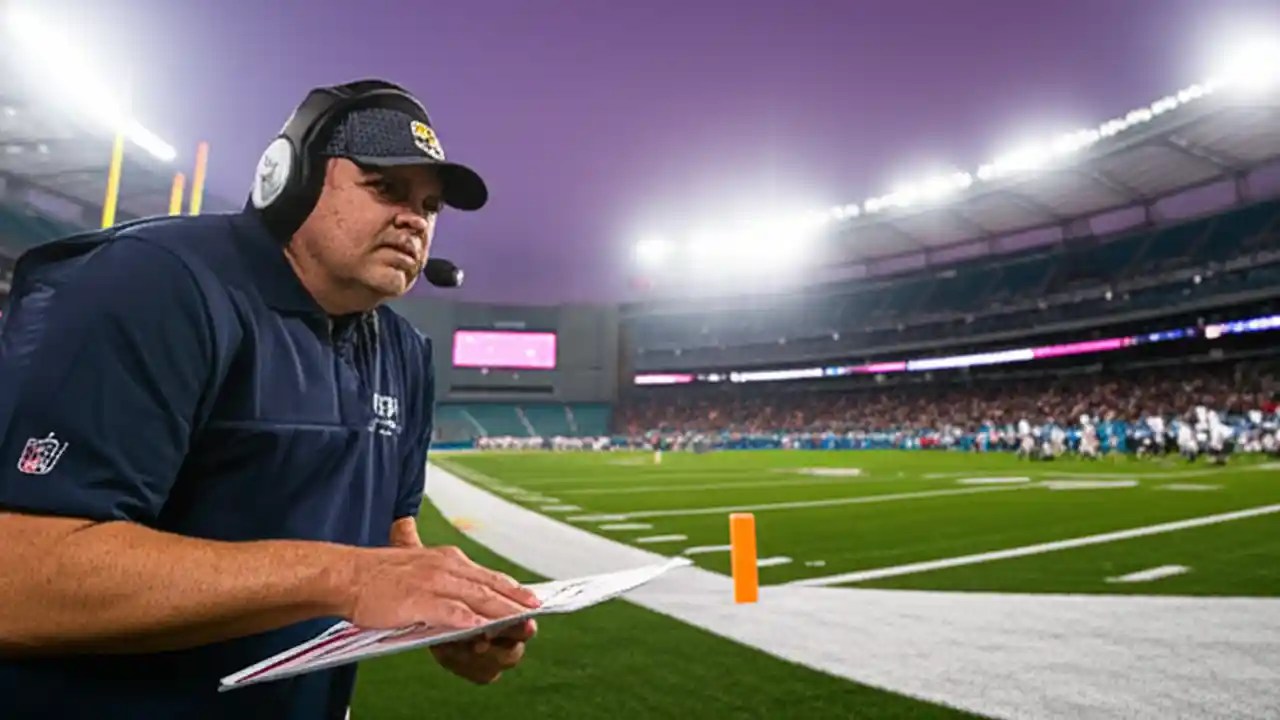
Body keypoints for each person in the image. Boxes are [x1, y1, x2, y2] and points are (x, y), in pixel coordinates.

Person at [0, 79, 540, 719]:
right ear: (289, 181)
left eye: (429, 206)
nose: (414, 219)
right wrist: (347, 577)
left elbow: (393, 535)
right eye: (385, 187)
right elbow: (18, 581)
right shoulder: (154, 286)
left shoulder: (404, 351)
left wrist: (446, 613)